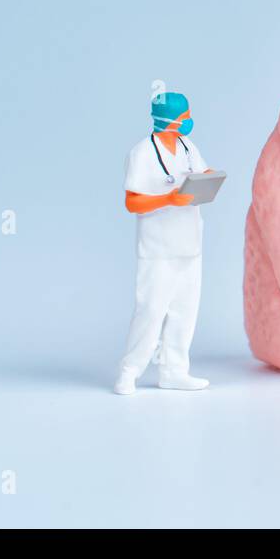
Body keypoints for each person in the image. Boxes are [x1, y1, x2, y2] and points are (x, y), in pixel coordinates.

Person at [115, 92, 213, 395]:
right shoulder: (142, 153)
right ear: (171, 120)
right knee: (151, 310)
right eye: (184, 116)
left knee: (185, 310)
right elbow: (132, 202)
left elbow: (202, 172)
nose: (188, 120)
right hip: (158, 249)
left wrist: (209, 178)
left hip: (190, 244)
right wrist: (169, 198)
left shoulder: (187, 147)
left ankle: (174, 372)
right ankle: (128, 372)